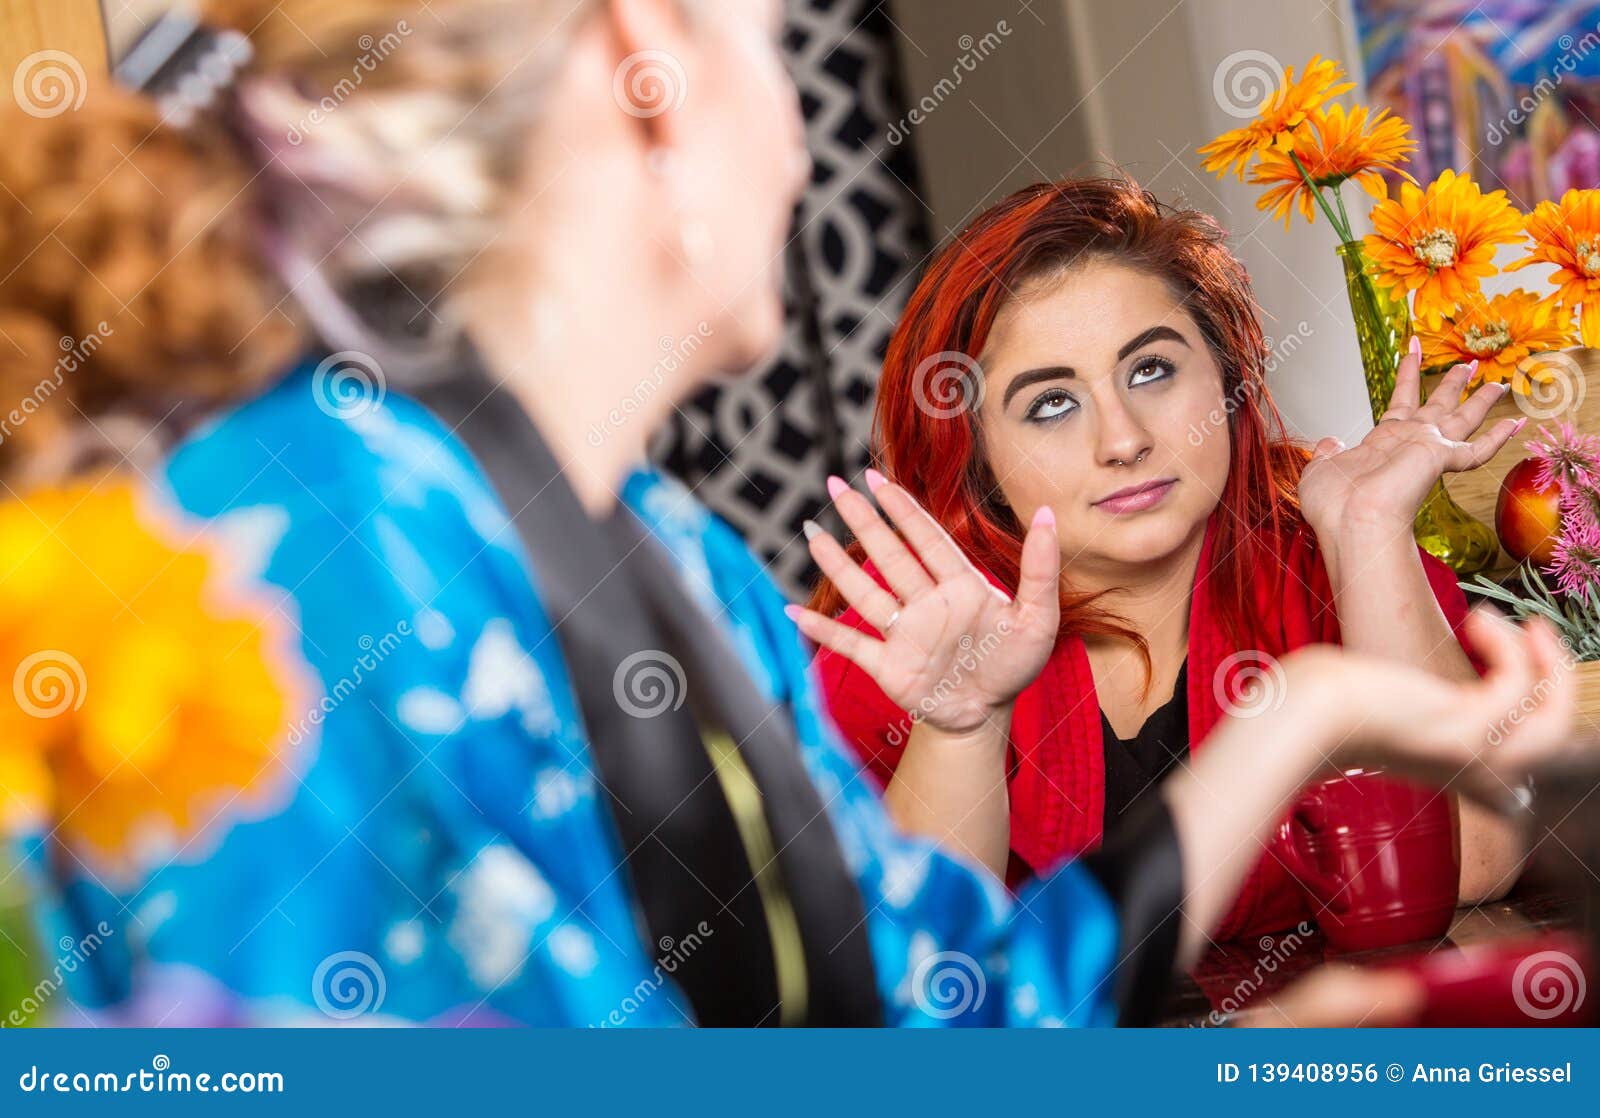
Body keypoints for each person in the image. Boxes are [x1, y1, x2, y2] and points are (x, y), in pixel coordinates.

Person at [0, 0, 1576, 1027]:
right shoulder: (299, 556)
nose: (810, 137)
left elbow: (948, 1011)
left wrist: (1306, 713)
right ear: (653, 69)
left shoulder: (682, 566)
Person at [800, 177, 1528, 938]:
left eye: (1151, 369)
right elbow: (916, 964)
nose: (1124, 440)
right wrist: (958, 726)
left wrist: (1371, 531)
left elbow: (1477, 863)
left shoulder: (1329, 561)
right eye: (1050, 403)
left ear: (1228, 379)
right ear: (979, 458)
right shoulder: (914, 627)